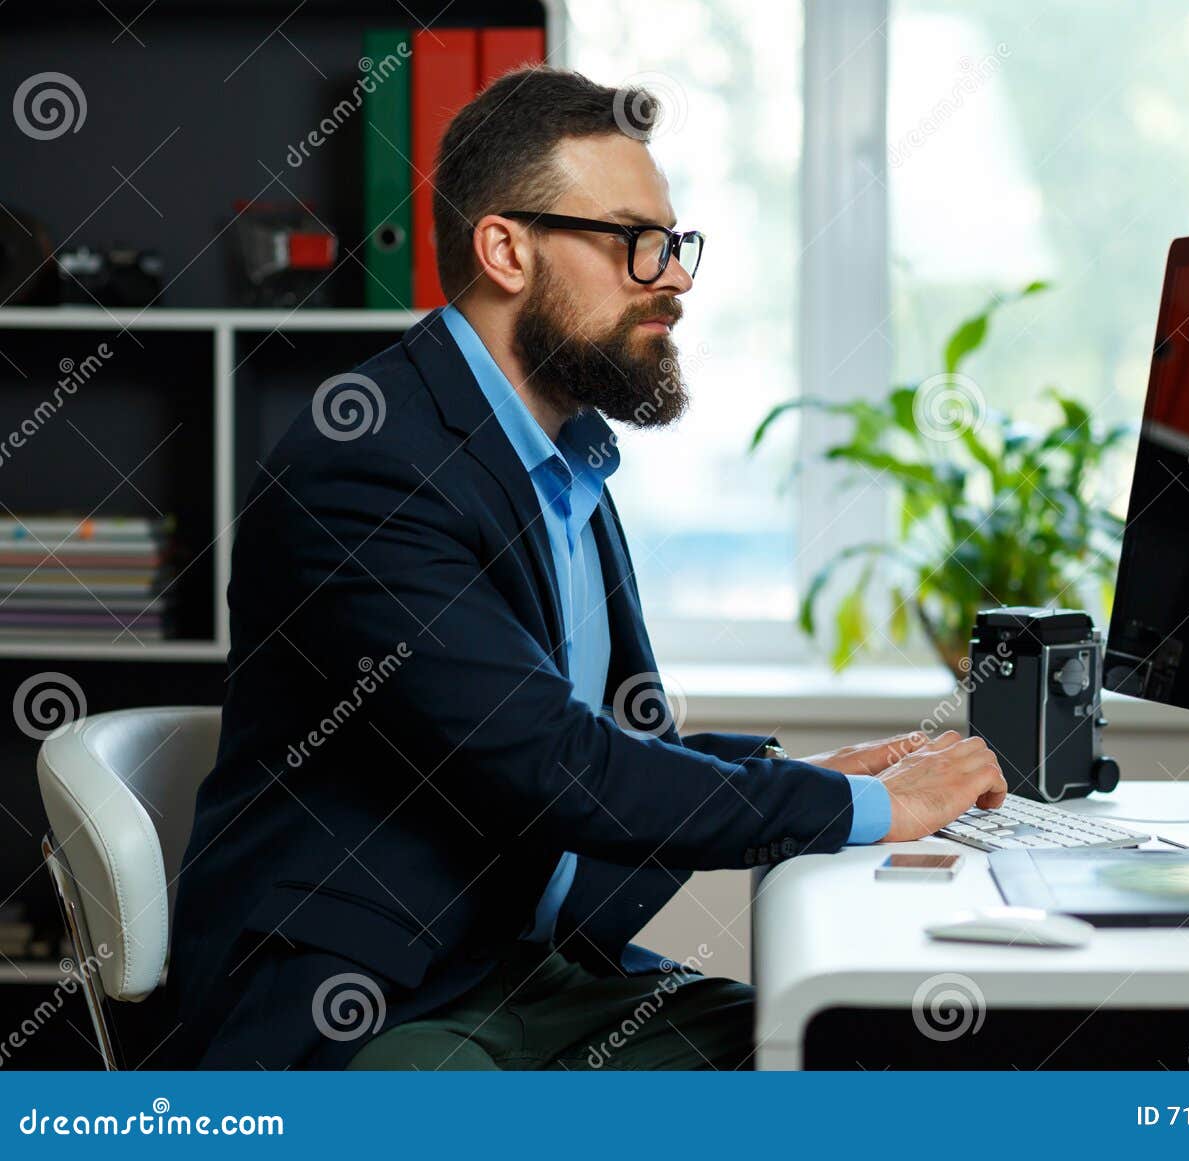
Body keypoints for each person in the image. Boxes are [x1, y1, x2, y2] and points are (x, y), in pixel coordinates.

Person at [168, 66, 1004, 1071]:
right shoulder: (368, 459)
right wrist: (868, 810)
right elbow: (550, 763)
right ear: (506, 249)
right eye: (634, 243)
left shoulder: (563, 464)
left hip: (536, 972)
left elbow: (588, 744)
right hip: (380, 1006)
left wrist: (799, 777)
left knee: (861, 1054)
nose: (676, 277)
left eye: (676, 243)